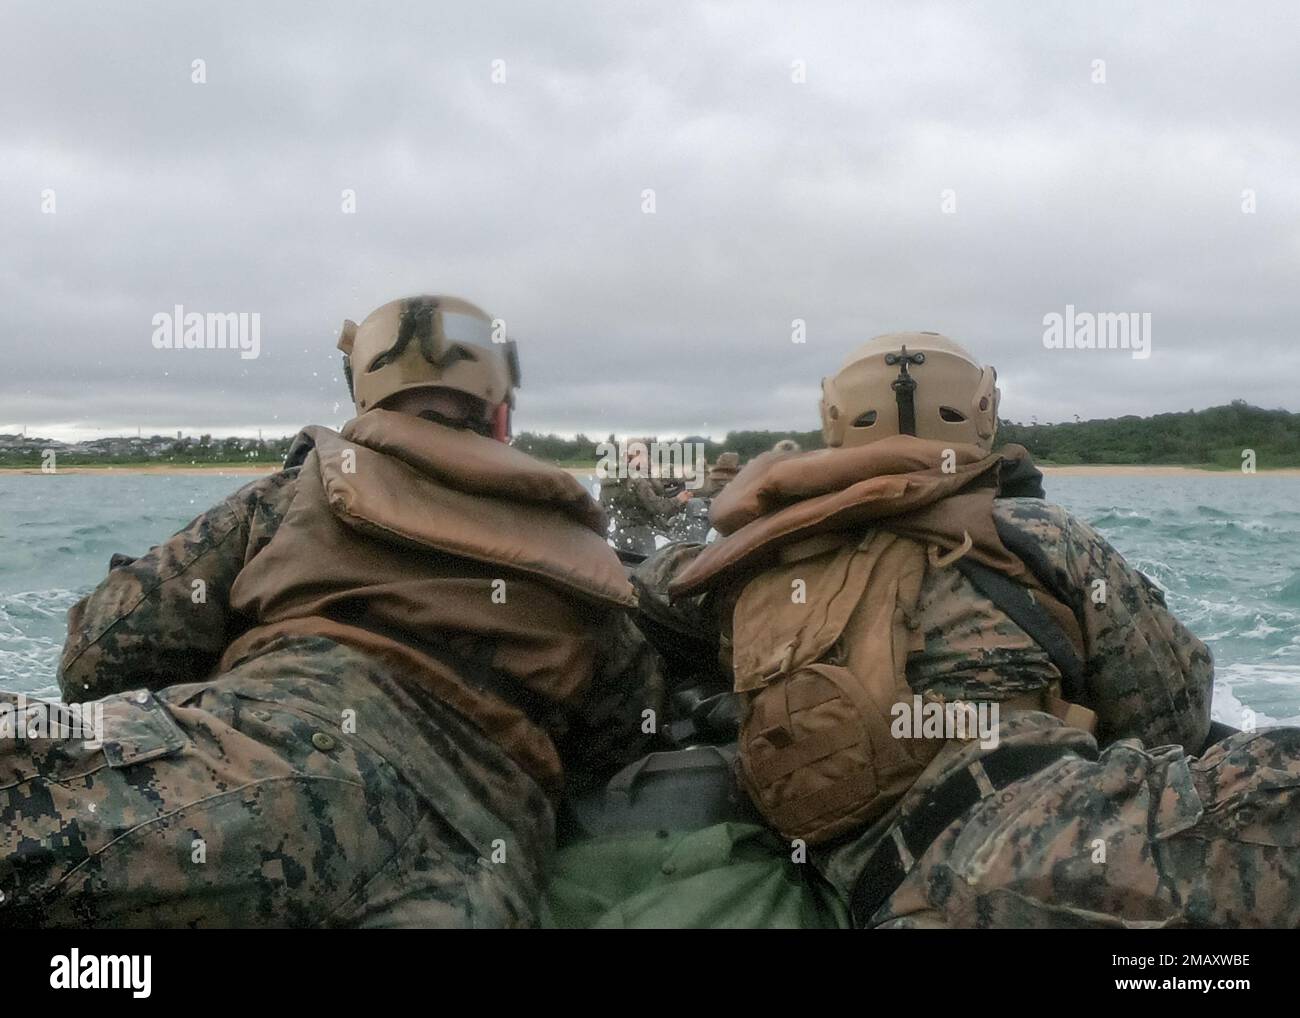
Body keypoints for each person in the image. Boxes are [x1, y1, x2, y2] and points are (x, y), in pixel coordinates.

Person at [0, 294, 662, 928]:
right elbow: (623, 741)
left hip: (270, 774)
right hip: (480, 876)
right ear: (501, 418)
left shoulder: (299, 491)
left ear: (369, 402)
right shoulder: (591, 569)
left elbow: (99, 654)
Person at [632, 330, 1300, 928]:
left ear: (835, 418)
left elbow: (652, 589)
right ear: (982, 410)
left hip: (882, 891)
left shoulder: (742, 565)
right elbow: (1173, 716)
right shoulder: (1036, 533)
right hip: (1050, 841)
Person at [600, 438, 691, 558]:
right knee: (680, 548)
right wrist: (678, 500)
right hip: (640, 534)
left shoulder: (608, 479)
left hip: (616, 534)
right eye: (644, 454)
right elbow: (657, 507)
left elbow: (602, 505)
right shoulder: (636, 479)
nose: (647, 458)